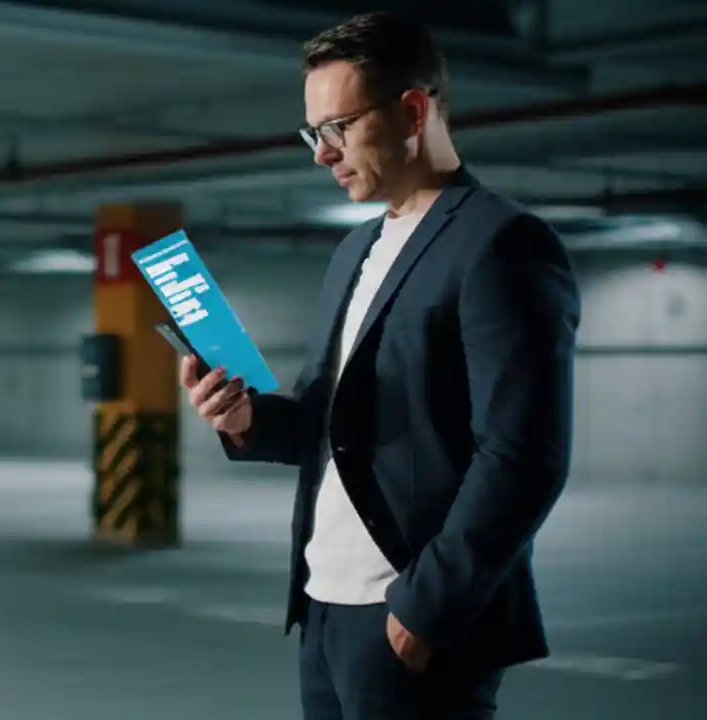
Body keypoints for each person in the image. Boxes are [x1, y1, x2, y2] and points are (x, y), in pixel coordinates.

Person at [181, 10, 580, 720]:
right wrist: (247, 419)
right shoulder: (353, 253)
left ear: (412, 111)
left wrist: (425, 612)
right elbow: (323, 419)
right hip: (323, 611)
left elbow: (522, 456)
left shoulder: (502, 243)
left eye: (337, 128)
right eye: (313, 133)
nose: (321, 154)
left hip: (410, 622)